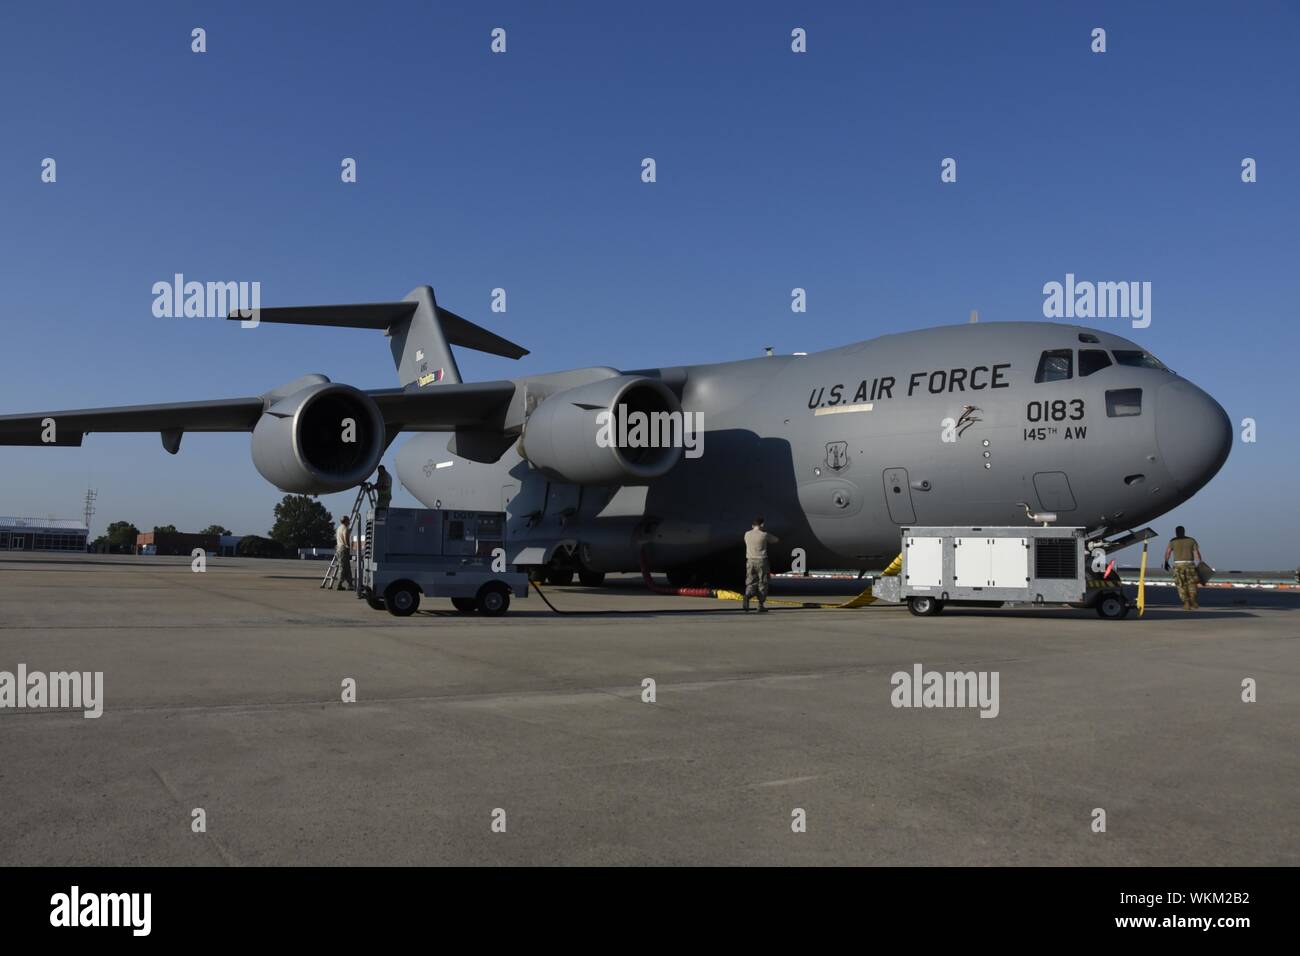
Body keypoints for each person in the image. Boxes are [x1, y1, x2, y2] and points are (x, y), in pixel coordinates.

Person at [743, 517, 779, 613]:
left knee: (750, 581)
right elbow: (776, 540)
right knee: (763, 583)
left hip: (750, 561)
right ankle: (760, 605)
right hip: (761, 561)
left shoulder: (747, 534)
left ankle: (747, 596)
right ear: (762, 525)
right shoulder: (764, 535)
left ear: (752, 525)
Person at [1163, 525, 1203, 611]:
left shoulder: (1173, 541)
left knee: (1181, 585)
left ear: (1176, 532)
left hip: (1178, 565)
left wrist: (1166, 562)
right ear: (1184, 531)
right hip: (1190, 564)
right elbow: (1196, 553)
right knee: (1192, 583)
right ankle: (1192, 599)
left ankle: (1186, 602)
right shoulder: (1191, 540)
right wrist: (1200, 563)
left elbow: (1168, 553)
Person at [335, 515, 354, 591]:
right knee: (343, 567)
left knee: (346, 567)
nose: (349, 522)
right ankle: (339, 584)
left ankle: (350, 584)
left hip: (339, 548)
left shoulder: (339, 528)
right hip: (343, 549)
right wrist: (348, 545)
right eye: (348, 520)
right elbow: (345, 537)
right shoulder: (345, 528)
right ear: (346, 521)